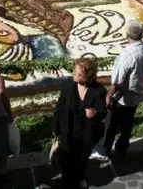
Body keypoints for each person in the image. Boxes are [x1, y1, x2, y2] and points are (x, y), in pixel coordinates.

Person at [91, 21, 143, 161]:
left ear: (127, 35)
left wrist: (109, 95)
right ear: (142, 34)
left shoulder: (126, 55)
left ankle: (103, 151)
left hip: (122, 97)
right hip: (137, 92)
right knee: (127, 123)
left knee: (111, 124)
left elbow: (118, 82)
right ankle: (122, 147)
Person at [52, 58, 107, 188]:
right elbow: (59, 108)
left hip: (86, 132)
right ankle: (66, 179)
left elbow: (102, 112)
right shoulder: (67, 87)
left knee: (82, 158)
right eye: (74, 72)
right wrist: (55, 126)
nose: (74, 75)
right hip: (68, 130)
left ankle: (80, 177)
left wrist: (95, 113)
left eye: (78, 74)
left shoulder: (98, 91)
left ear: (88, 76)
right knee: (65, 158)